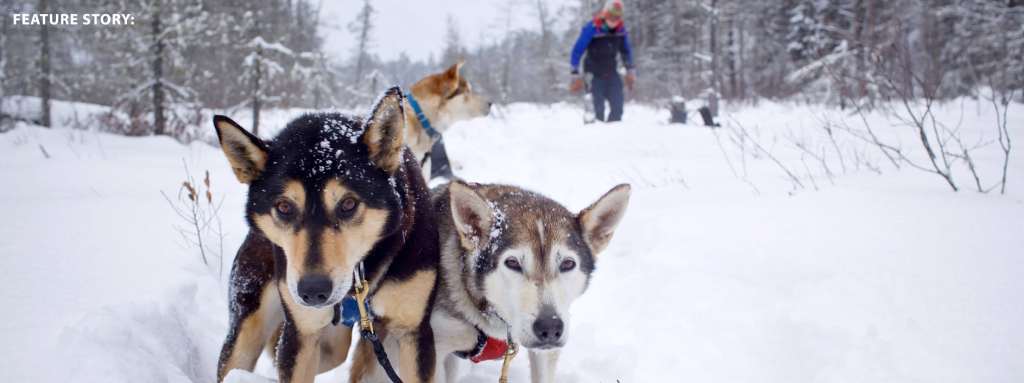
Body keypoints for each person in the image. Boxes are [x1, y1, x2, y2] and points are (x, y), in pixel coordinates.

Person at [569, 0, 636, 122]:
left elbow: (626, 51)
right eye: (611, 16)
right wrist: (575, 72)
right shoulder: (592, 28)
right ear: (605, 14)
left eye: (617, 17)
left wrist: (630, 70)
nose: (614, 19)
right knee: (596, 111)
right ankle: (594, 135)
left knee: (618, 108)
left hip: (611, 71)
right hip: (593, 73)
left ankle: (612, 136)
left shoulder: (621, 30)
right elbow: (577, 50)